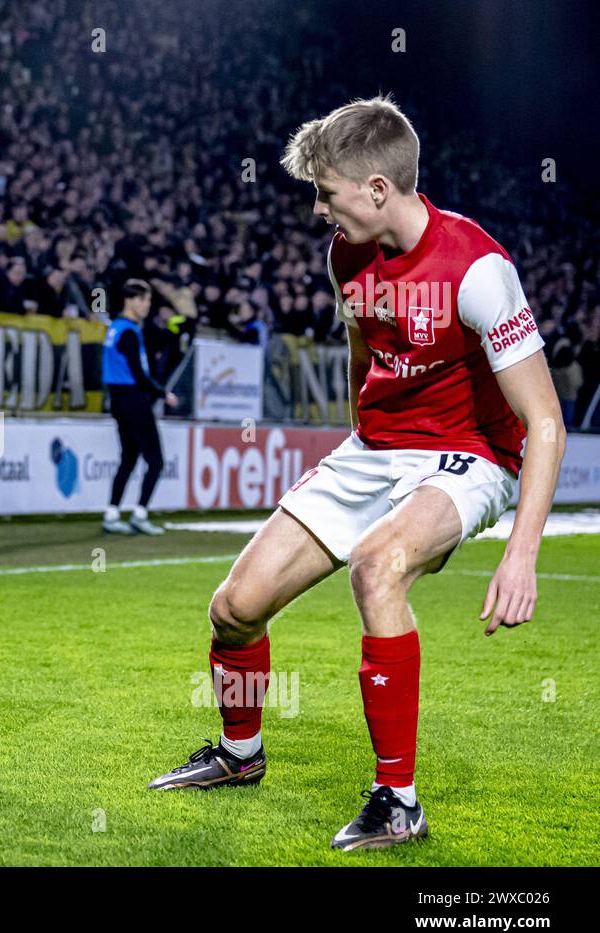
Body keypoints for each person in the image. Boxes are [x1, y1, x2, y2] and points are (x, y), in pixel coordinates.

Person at [147, 96, 565, 851]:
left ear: (378, 188)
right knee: (235, 606)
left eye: (328, 192)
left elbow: (545, 423)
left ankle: (397, 799)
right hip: (374, 448)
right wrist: (359, 434)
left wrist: (522, 552)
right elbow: (362, 342)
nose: (317, 208)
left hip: (467, 456)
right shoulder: (347, 252)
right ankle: (240, 757)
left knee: (376, 569)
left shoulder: (478, 270)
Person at [102, 278, 177, 535]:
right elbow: (139, 375)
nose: (147, 306)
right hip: (133, 400)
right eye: (144, 300)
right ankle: (140, 513)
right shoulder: (129, 332)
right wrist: (162, 393)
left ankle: (112, 514)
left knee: (129, 458)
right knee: (155, 461)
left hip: (117, 401)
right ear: (131, 301)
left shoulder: (115, 328)